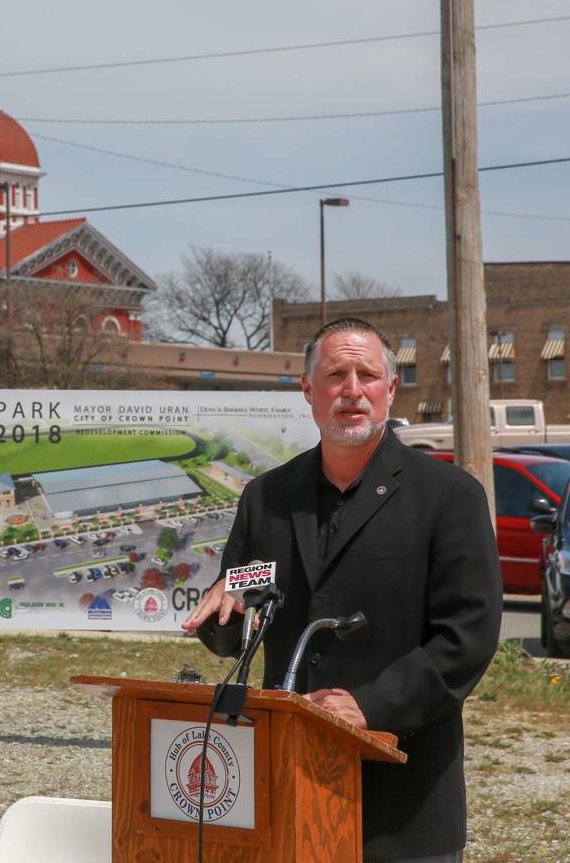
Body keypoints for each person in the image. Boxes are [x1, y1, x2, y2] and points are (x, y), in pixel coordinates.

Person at [183, 317, 502, 863]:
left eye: (367, 375)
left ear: (390, 388)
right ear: (309, 390)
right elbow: (237, 628)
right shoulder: (266, 498)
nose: (352, 390)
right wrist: (224, 613)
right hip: (287, 784)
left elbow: (467, 637)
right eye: (335, 375)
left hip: (403, 799)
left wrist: (369, 704)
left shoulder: (449, 497)